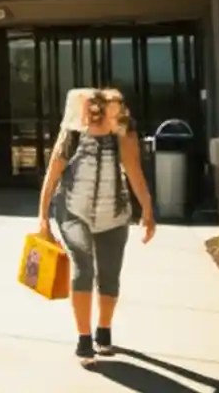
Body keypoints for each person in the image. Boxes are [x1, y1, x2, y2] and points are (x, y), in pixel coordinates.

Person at [37, 87, 156, 367]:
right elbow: (52, 175)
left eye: (121, 108)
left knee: (109, 275)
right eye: (113, 108)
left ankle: (103, 330)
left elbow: (135, 172)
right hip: (73, 211)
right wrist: (43, 216)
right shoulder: (73, 134)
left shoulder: (124, 135)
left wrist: (148, 211)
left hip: (113, 215)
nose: (119, 114)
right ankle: (83, 338)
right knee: (83, 266)